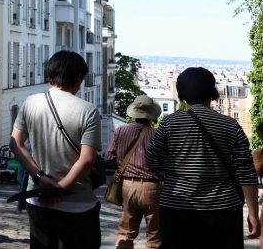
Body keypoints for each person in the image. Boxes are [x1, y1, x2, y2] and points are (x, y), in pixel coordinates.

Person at [146, 67, 260, 248]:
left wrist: (172, 176)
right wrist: (253, 213)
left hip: (177, 207)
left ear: (181, 95)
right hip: (223, 210)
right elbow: (246, 172)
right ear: (213, 93)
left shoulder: (169, 123)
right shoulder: (231, 126)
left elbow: (152, 160)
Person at [10, 51, 102, 249]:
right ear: (78, 78)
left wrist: (40, 177)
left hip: (37, 198)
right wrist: (61, 188)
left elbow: (15, 143)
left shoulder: (30, 102)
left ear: (50, 75)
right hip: (78, 202)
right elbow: (87, 159)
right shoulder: (88, 110)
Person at [104, 95, 163, 249]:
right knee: (154, 236)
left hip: (127, 186)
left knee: (125, 233)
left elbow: (108, 157)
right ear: (152, 115)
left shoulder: (121, 130)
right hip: (152, 187)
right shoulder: (158, 134)